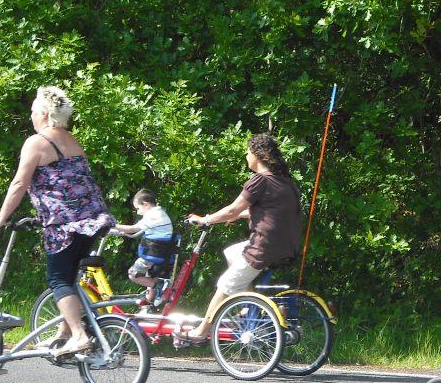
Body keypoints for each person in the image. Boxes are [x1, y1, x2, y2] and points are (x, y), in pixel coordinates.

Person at [0, 86, 116, 357]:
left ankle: (79, 335)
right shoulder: (72, 140)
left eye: (33, 112)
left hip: (65, 225)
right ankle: (63, 335)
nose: (31, 116)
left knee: (58, 279)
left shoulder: (37, 142)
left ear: (45, 113)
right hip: (93, 220)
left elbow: (19, 183)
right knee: (70, 278)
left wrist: (0, 219)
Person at [177, 133, 301, 346]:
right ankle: (249, 307)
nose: (246, 156)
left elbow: (232, 209)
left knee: (225, 284)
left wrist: (205, 219)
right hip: (285, 245)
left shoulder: (260, 180)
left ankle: (201, 332)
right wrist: (239, 216)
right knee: (232, 252)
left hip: (264, 247)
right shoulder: (284, 182)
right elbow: (268, 212)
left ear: (258, 155)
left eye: (247, 152)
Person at [115, 189, 174, 310]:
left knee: (133, 274)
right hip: (163, 254)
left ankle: (159, 286)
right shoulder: (160, 213)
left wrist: (112, 225)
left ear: (146, 204)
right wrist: (122, 231)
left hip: (153, 253)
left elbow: (133, 229)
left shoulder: (152, 215)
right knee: (149, 277)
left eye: (138, 208)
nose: (138, 212)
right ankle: (150, 305)